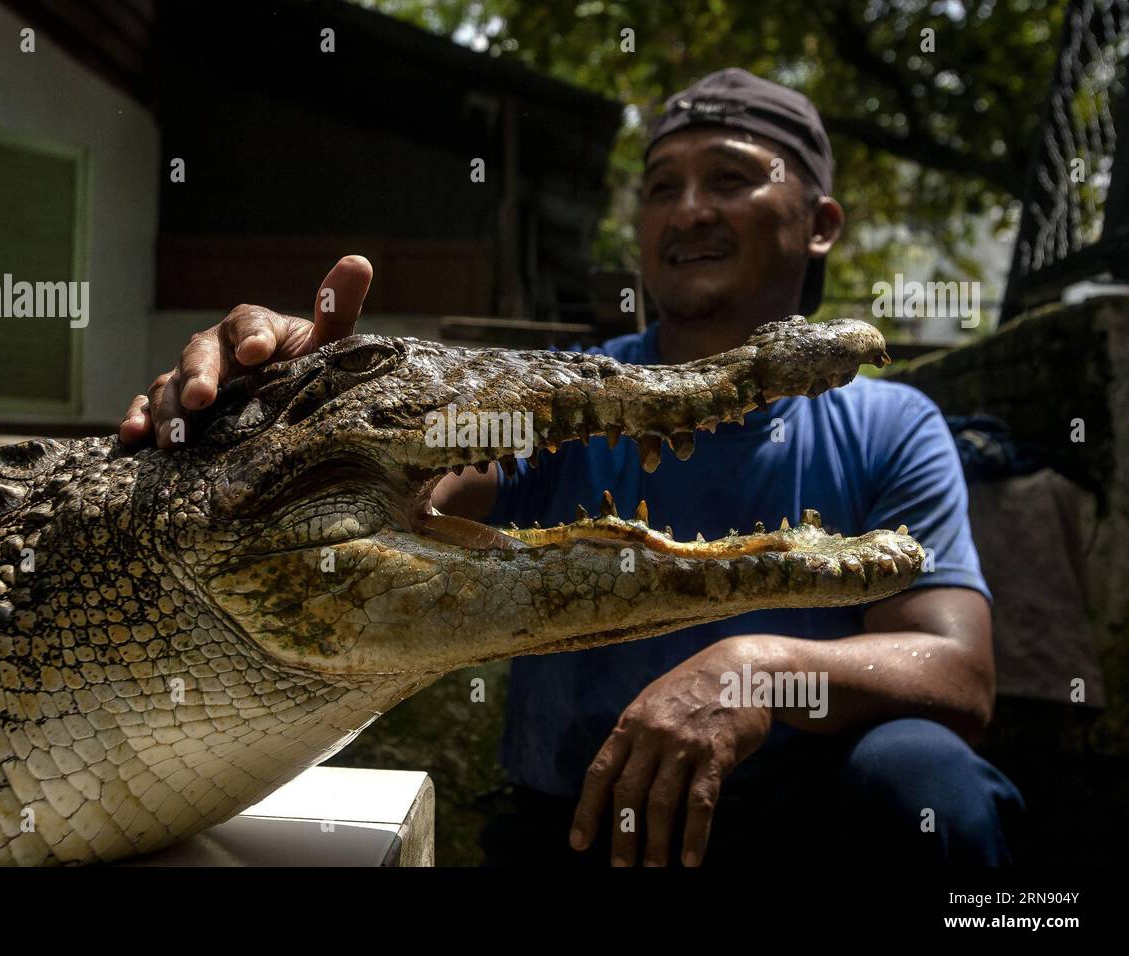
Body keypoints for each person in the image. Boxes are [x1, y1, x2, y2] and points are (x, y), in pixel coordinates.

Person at [120, 69, 1023, 866]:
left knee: (927, 776)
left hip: (806, 825)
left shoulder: (892, 422)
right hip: (586, 828)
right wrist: (286, 410)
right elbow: (420, 489)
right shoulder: (563, 405)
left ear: (821, 223)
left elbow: (955, 671)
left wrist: (753, 672)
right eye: (661, 187)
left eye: (732, 179)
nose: (688, 209)